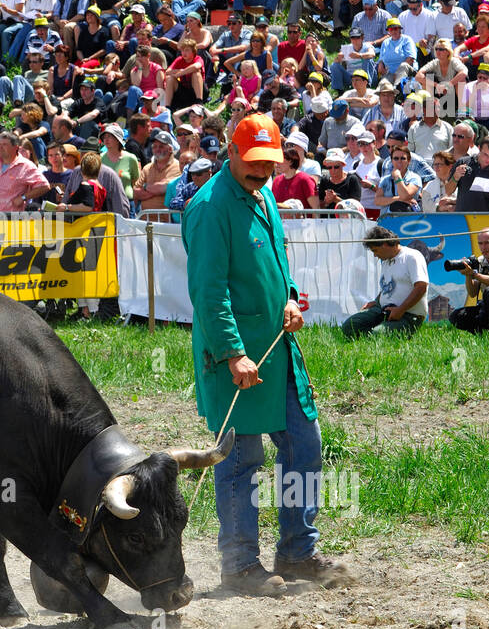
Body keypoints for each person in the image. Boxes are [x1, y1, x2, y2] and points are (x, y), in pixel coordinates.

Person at [182, 112, 350, 598]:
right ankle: (239, 564)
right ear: (230, 152)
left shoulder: (265, 196)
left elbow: (277, 262)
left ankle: (297, 550)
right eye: (252, 162)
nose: (261, 172)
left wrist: (292, 298)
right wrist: (233, 352)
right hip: (235, 359)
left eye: (268, 164)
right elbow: (209, 292)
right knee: (240, 458)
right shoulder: (209, 207)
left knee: (305, 443)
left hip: (278, 353)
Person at [340, 226, 429, 339]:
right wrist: (376, 301)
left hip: (409, 315)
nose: (375, 255)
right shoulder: (385, 261)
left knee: (377, 337)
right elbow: (389, 288)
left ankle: (384, 333)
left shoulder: (412, 257)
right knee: (349, 327)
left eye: (375, 250)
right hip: (382, 310)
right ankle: (379, 332)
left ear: (385, 245)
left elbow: (421, 287)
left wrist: (400, 310)